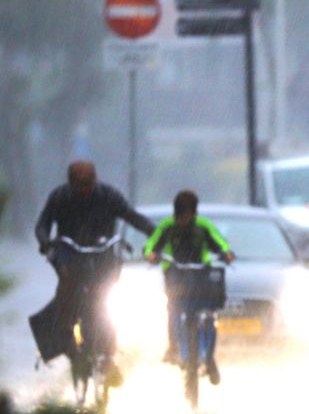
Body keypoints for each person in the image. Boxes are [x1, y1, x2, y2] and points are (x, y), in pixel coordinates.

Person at [31, 160, 155, 384]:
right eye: (80, 186)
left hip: (102, 259)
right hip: (70, 259)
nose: (85, 190)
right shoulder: (59, 197)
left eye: (88, 184)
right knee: (65, 304)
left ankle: (108, 356)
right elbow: (42, 225)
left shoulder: (108, 196)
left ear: (95, 180)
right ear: (70, 184)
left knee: (104, 304)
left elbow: (133, 217)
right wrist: (46, 243)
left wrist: (154, 234)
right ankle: (69, 348)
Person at [143, 190, 234, 385]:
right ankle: (174, 347)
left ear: (193, 214)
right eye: (179, 217)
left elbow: (219, 243)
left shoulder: (203, 226)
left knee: (209, 312)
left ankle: (208, 356)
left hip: (200, 272)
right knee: (174, 309)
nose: (182, 221)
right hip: (175, 273)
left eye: (185, 216)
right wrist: (150, 254)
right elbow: (152, 245)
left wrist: (226, 253)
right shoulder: (167, 226)